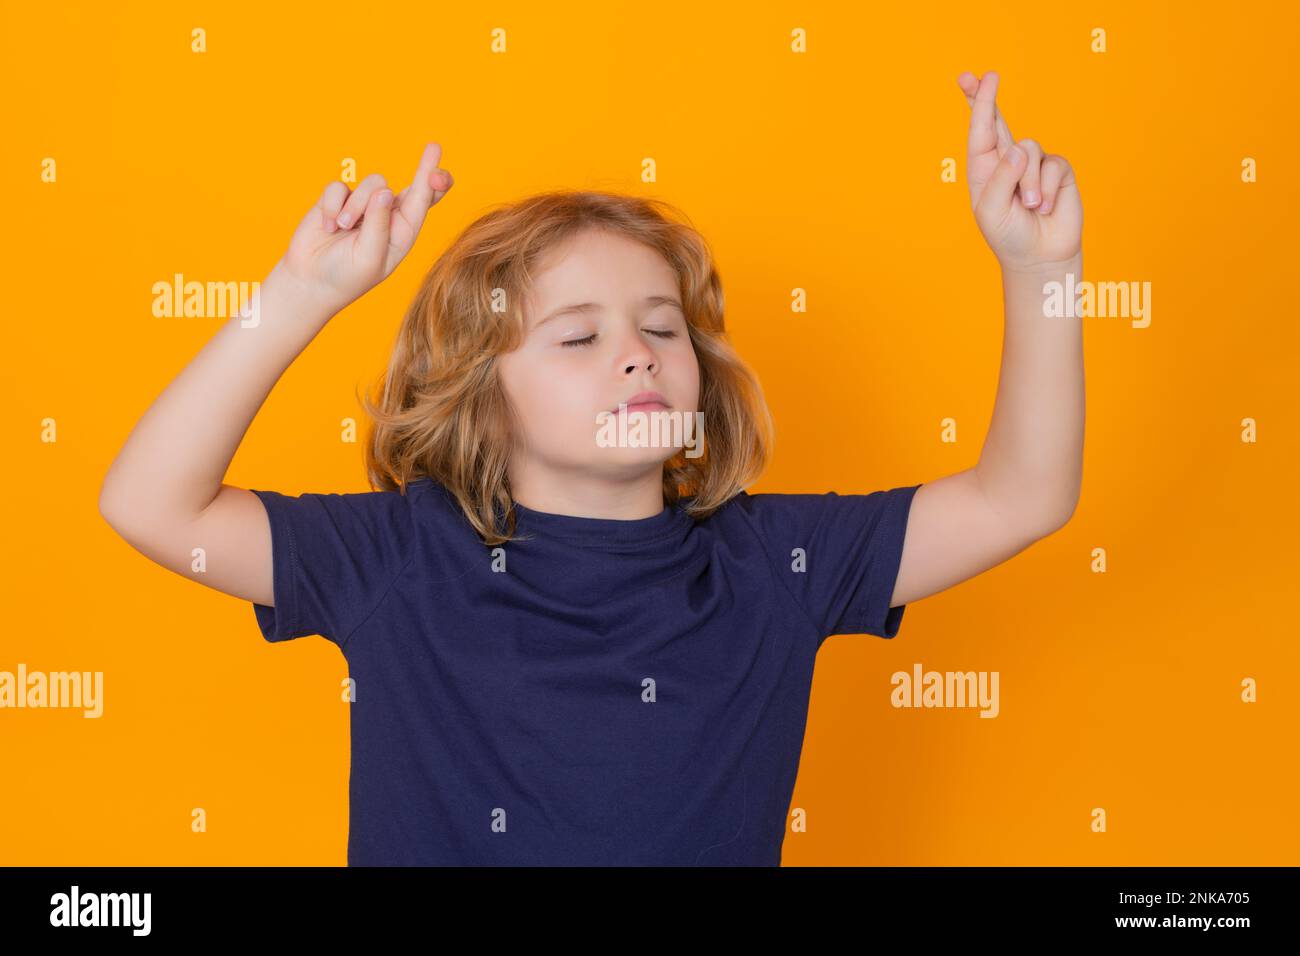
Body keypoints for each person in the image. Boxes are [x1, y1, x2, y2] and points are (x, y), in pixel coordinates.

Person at [99, 70, 1083, 865]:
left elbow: (1022, 494)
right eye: (578, 338)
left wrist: (1040, 271)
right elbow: (149, 503)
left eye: (661, 326)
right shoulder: (401, 556)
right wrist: (300, 292)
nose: (637, 351)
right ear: (481, 393)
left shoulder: (775, 560)